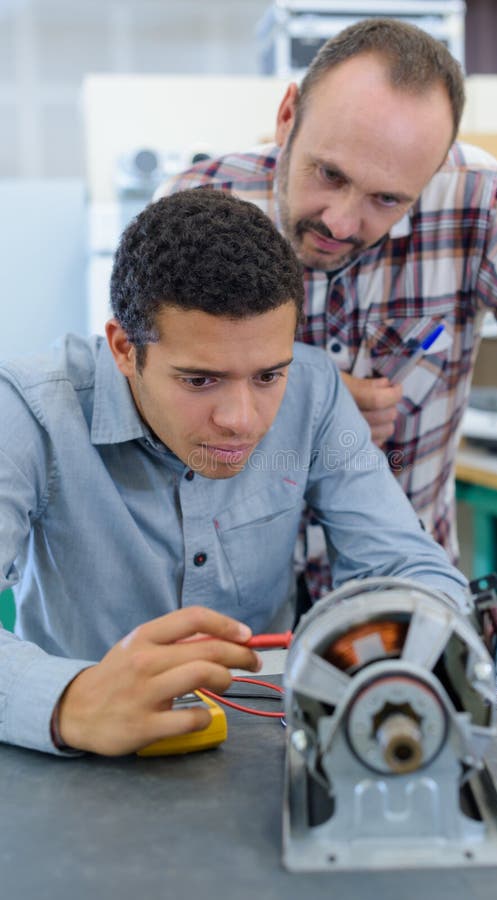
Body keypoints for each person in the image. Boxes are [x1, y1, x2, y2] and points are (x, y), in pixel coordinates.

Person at [0, 188, 469, 757]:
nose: (241, 421)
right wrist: (68, 699)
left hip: (262, 745)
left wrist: (410, 649)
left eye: (269, 376)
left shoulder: (315, 391)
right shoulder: (27, 409)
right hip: (77, 755)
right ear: (125, 349)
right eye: (200, 380)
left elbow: (408, 564)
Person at [159, 18, 497, 599]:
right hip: (230, 603)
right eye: (329, 173)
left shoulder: (483, 203)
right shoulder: (201, 206)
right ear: (287, 115)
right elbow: (145, 408)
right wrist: (303, 405)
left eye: (386, 199)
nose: (341, 222)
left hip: (404, 596)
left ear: (436, 169)